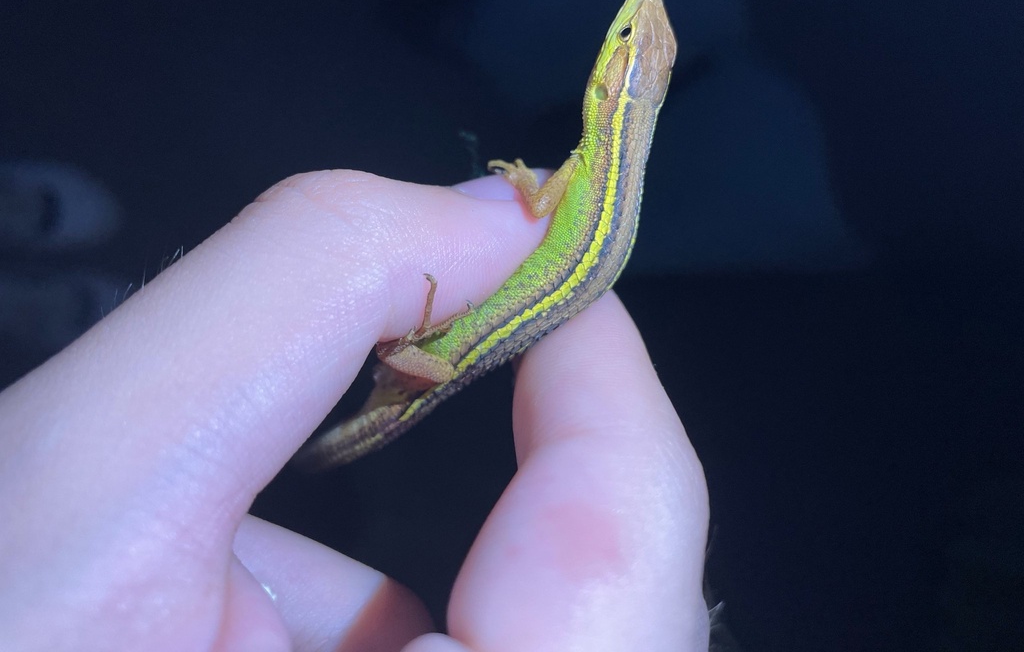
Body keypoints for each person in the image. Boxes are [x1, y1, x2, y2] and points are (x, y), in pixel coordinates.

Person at [0, 169, 711, 651]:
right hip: (444, 355)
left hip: (434, 366)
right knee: (347, 429)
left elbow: (528, 210)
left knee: (368, 408)